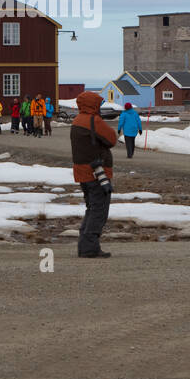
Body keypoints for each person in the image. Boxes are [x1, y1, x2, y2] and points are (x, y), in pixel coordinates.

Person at [70, 91, 117, 257]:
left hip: (83, 173)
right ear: (93, 105)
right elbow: (112, 139)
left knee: (91, 208)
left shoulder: (77, 120)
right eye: (98, 104)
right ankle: (89, 248)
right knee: (99, 211)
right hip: (97, 173)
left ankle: (85, 246)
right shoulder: (93, 120)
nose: (100, 107)